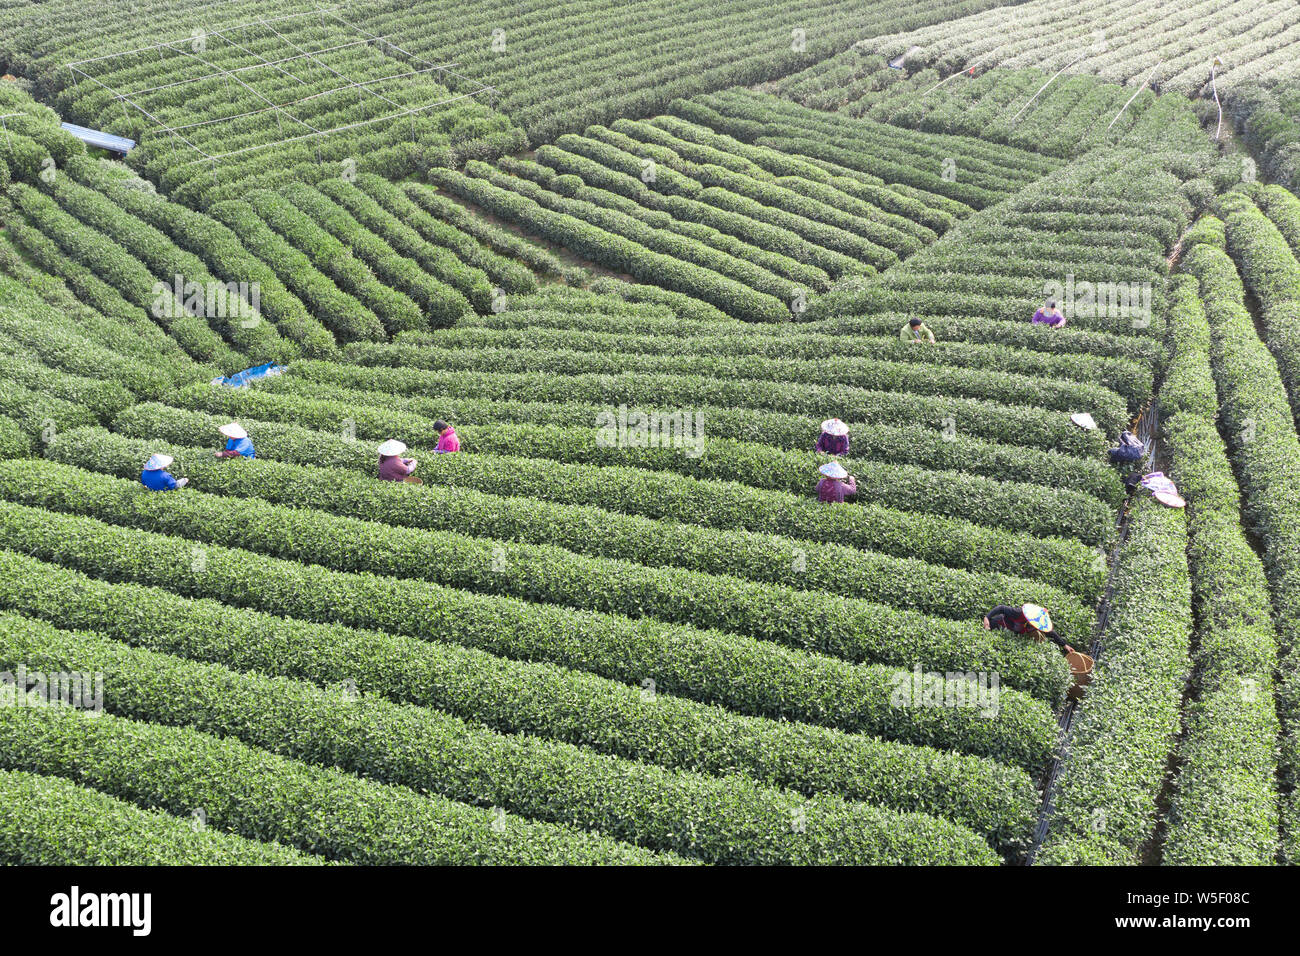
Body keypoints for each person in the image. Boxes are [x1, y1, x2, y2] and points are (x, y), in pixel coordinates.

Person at [984, 603, 1073, 653]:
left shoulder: (1035, 625)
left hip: (1009, 634)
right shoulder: (1019, 613)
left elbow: (1050, 632)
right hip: (998, 625)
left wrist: (1064, 645)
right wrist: (987, 618)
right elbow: (1001, 608)